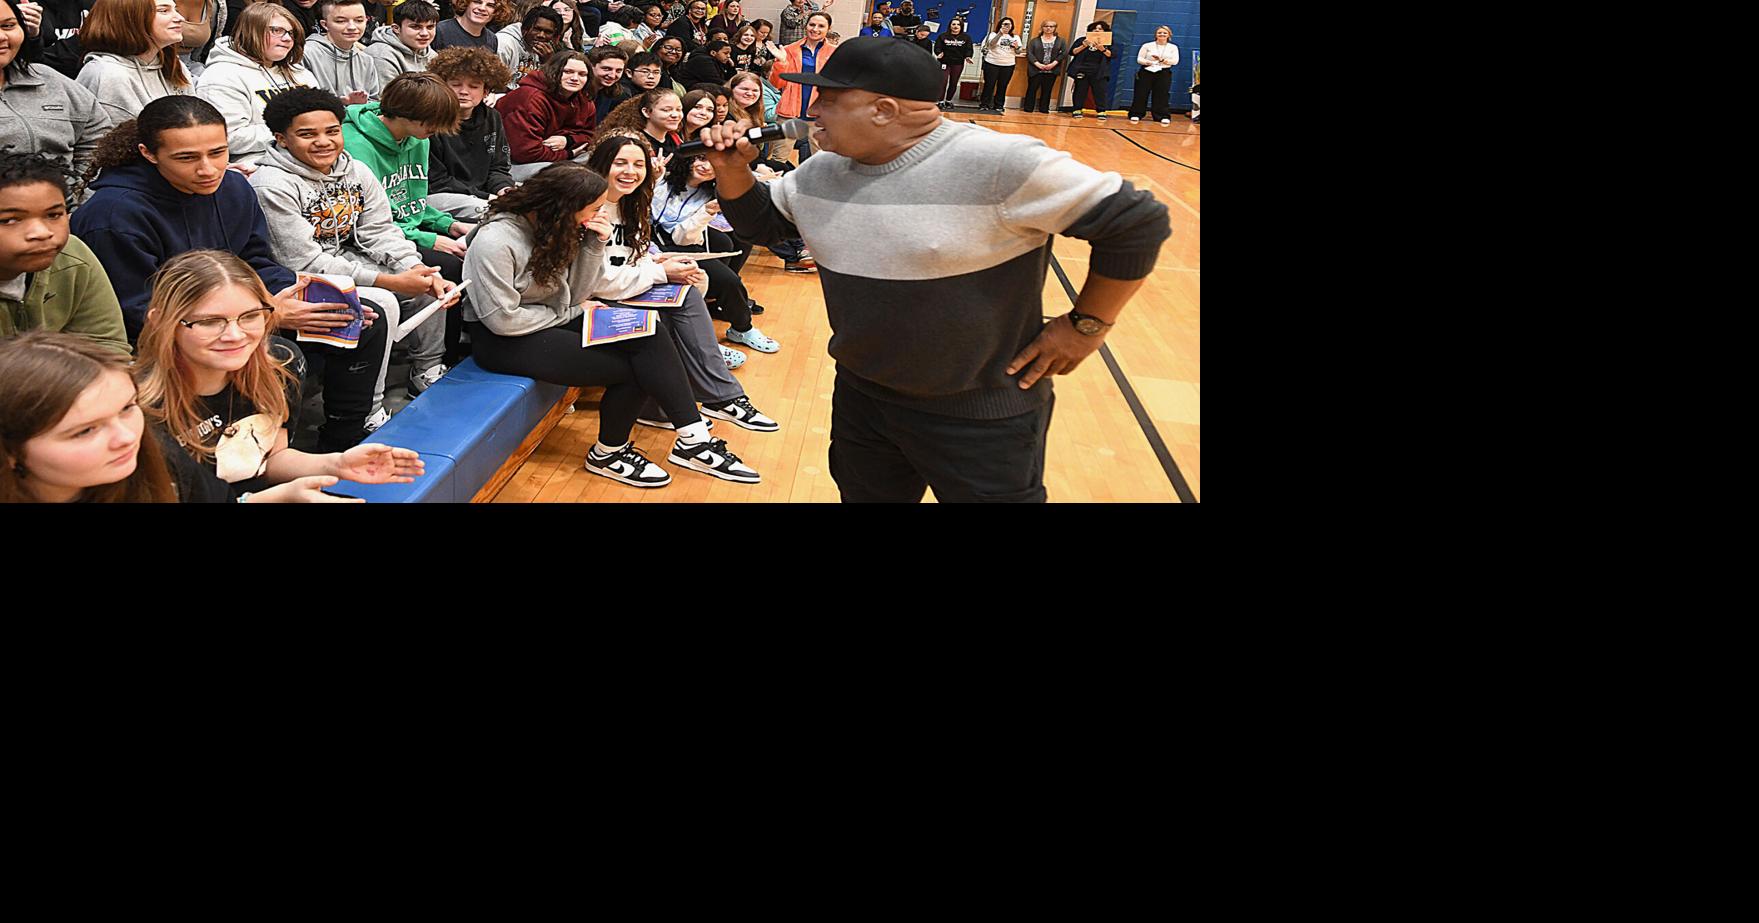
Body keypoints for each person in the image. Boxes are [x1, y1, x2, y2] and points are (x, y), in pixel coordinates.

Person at [700, 37, 1169, 502]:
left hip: (979, 414)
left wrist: (1087, 326)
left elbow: (1137, 222)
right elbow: (764, 225)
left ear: (883, 110)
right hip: (865, 399)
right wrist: (731, 169)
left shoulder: (998, 162)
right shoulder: (821, 171)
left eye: (829, 98)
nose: (812, 110)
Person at [459, 161, 758, 486]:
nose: (599, 215)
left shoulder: (559, 228)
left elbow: (577, 295)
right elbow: (503, 320)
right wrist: (570, 312)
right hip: (503, 339)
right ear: (562, 206)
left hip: (548, 318)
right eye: (593, 209)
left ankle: (694, 438)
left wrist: (593, 244)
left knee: (646, 330)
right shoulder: (495, 241)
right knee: (630, 368)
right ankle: (608, 453)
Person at [135, 250, 425, 499]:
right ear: (161, 322)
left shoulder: (277, 368)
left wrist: (336, 464)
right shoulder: (136, 411)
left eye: (250, 316)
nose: (235, 335)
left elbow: (268, 459)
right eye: (210, 321)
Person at [251, 86, 454, 428]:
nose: (324, 142)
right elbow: (304, 261)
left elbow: (380, 230)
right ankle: (368, 409)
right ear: (282, 139)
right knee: (384, 301)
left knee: (427, 279)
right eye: (307, 134)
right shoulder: (271, 185)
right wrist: (389, 280)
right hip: (296, 278)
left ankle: (427, 369)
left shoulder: (355, 170)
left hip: (348, 256)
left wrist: (415, 268)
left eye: (332, 131)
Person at [584, 134, 778, 430]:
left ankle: (716, 397)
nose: (630, 172)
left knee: (689, 288)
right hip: (590, 300)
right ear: (600, 165)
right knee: (673, 305)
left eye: (638, 165)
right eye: (620, 163)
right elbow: (598, 281)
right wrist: (663, 272)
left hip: (623, 285)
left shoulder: (632, 204)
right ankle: (695, 403)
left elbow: (630, 259)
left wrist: (665, 266)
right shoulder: (589, 209)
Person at [340, 71, 470, 392]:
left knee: (465, 254)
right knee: (444, 268)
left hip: (404, 231)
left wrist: (447, 224)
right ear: (407, 114)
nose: (435, 130)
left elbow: (413, 200)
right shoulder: (356, 146)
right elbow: (369, 222)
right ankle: (428, 364)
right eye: (431, 122)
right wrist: (429, 238)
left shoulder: (417, 139)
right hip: (366, 240)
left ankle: (440, 360)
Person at [0, 152, 126, 353]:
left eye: (53, 215)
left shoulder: (73, 255)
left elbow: (106, 347)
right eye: (9, 220)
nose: (42, 233)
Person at [651, 151, 775, 354]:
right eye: (701, 159)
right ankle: (696, 339)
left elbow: (682, 238)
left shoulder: (709, 197)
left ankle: (742, 328)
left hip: (679, 245)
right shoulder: (661, 178)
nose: (706, 167)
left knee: (729, 280)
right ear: (689, 158)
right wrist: (653, 179)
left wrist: (706, 213)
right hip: (644, 242)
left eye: (714, 165)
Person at [0, 0, 113, 191]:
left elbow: (96, 133)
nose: (2, 36)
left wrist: (78, 194)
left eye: (8, 25)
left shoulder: (47, 78)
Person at [197, 0, 319, 168]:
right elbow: (229, 136)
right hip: (259, 164)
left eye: (291, 33)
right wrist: (293, 132)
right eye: (277, 30)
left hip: (311, 155)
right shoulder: (222, 75)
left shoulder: (300, 73)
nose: (287, 39)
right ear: (252, 31)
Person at [423, 45, 511, 218]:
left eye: (473, 86)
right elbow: (437, 181)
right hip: (441, 196)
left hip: (483, 194)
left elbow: (499, 166)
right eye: (455, 84)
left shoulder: (492, 117)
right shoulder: (431, 122)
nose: (464, 92)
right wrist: (487, 197)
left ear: (485, 91)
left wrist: (504, 189)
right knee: (500, 213)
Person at [75, 0, 192, 122]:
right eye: (164, 11)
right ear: (129, 18)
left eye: (176, 10)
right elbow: (112, 138)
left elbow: (196, 119)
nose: (180, 18)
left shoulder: (173, 64)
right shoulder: (108, 74)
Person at [496, 48, 593, 179]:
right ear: (554, 72)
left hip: (554, 153)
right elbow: (526, 152)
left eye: (582, 74)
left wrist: (568, 140)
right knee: (563, 174)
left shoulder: (584, 100)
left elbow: (590, 135)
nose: (575, 78)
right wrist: (569, 154)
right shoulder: (530, 99)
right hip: (511, 162)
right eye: (568, 72)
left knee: (596, 159)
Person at [769, 8, 828, 159]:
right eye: (812, 24)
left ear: (828, 29)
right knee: (779, 158)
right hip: (789, 112)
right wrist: (781, 62)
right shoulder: (788, 50)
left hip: (820, 114)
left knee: (821, 160)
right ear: (805, 26)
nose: (815, 29)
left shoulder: (835, 52)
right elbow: (777, 83)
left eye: (821, 26)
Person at [305, 0, 381, 103]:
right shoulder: (308, 54)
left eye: (359, 20)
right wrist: (342, 104)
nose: (352, 27)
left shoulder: (366, 60)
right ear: (325, 25)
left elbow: (374, 101)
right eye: (341, 21)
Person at [364, 0, 436, 86]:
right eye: (415, 27)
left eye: (430, 27)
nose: (424, 33)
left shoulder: (432, 55)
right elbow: (387, 97)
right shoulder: (380, 55)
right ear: (396, 28)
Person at [494, 3, 558, 88]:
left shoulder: (546, 49)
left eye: (548, 32)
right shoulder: (505, 43)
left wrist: (548, 63)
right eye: (537, 29)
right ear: (525, 28)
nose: (541, 35)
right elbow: (494, 84)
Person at [1128, 24, 1176, 124]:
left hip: (1163, 72)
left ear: (1169, 35)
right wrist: (1147, 62)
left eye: (1164, 33)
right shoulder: (1147, 45)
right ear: (1155, 34)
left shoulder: (1173, 47)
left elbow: (1175, 61)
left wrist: (1163, 60)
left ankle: (1162, 115)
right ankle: (1136, 114)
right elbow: (1139, 59)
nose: (1162, 34)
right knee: (1141, 93)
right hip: (1147, 71)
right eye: (1159, 33)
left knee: (1162, 94)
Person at [1066, 21, 1110, 120]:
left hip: (1099, 71)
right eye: (1095, 28)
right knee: (1080, 90)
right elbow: (1072, 52)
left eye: (1100, 28)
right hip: (1082, 69)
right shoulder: (1082, 40)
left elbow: (1112, 55)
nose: (1097, 30)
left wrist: (1102, 49)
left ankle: (1101, 110)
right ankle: (1077, 109)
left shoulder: (1108, 41)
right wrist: (1083, 46)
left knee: (1100, 91)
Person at [976, 15, 1019, 113]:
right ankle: (984, 104)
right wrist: (1000, 33)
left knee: (1002, 85)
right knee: (989, 85)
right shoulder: (993, 34)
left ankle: (999, 105)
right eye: (1004, 24)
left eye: (1009, 24)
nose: (1007, 26)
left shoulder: (1015, 37)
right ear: (1000, 25)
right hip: (992, 63)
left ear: (1012, 26)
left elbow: (1019, 51)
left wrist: (1017, 47)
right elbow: (991, 44)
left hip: (1008, 64)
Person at [1021, 18, 1064, 114]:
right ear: (1042, 28)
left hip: (1052, 70)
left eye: (1051, 26)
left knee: (1047, 90)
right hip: (1036, 69)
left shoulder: (1060, 41)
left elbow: (1063, 53)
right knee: (1032, 88)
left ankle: (1044, 108)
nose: (1048, 28)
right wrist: (1038, 64)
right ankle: (1028, 108)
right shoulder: (1034, 40)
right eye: (1046, 26)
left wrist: (1053, 64)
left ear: (1055, 28)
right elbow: (1030, 53)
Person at [173, 0, 226, 79]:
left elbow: (210, 48)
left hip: (190, 68)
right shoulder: (153, 3)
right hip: (157, 66)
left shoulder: (217, 5)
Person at [930, 13, 969, 110]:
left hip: (958, 63)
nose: (956, 26)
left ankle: (948, 100)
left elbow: (968, 49)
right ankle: (940, 101)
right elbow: (938, 47)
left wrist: (968, 56)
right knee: (943, 81)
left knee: (953, 82)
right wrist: (938, 53)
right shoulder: (943, 36)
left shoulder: (966, 38)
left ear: (961, 26)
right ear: (950, 26)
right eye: (953, 24)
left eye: (958, 24)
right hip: (944, 62)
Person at [584, 42, 626, 114]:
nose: (612, 75)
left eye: (618, 71)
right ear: (591, 66)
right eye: (607, 69)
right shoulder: (577, 91)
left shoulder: (620, 95)